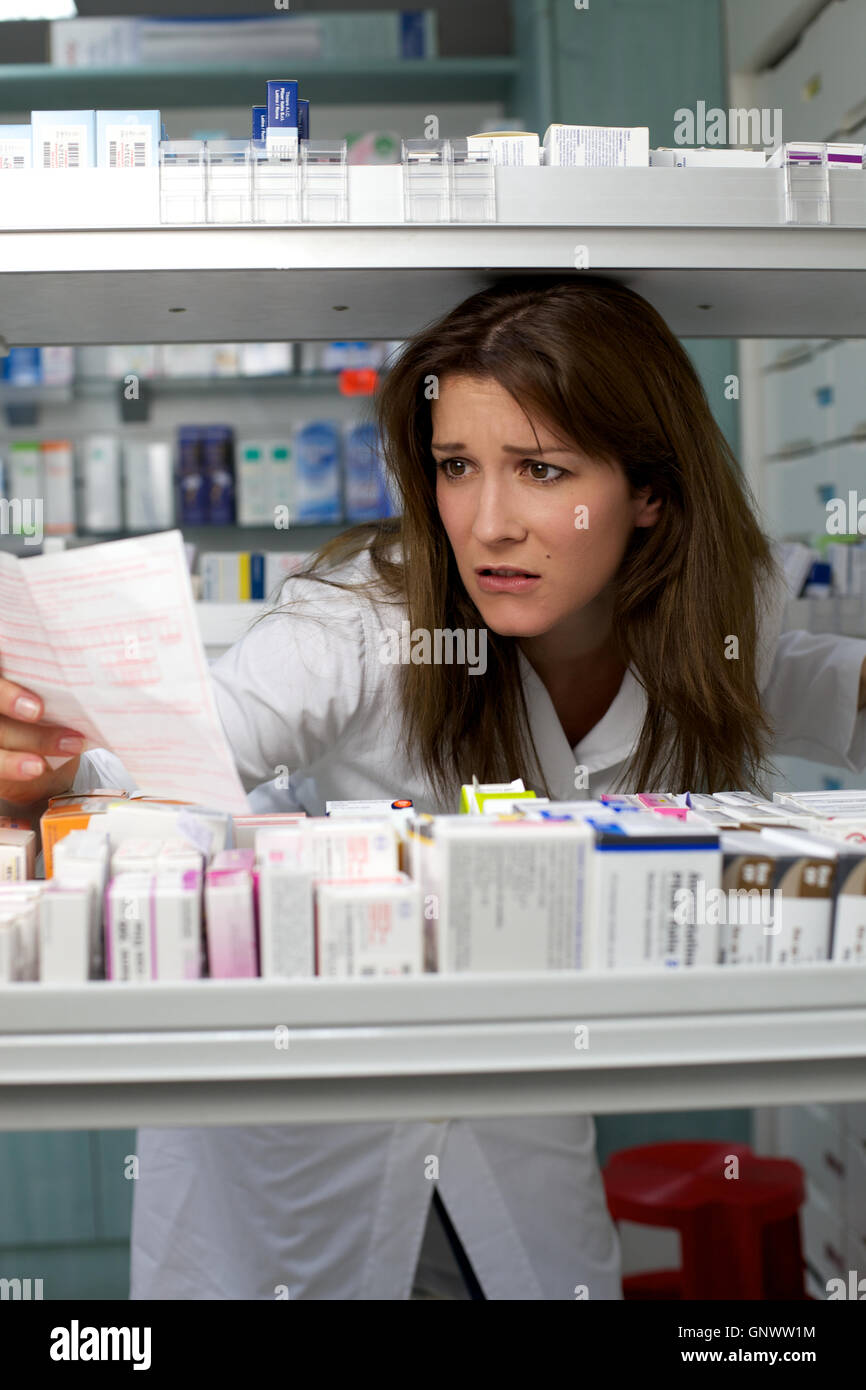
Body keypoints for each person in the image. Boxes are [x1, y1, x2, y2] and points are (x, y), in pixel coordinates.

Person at [2, 278, 866, 1300]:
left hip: (514, 1125)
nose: (488, 523)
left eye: (539, 469)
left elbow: (819, 684)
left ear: (649, 491)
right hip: (303, 1134)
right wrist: (45, 763)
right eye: (456, 466)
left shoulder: (718, 625)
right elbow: (177, 757)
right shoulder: (362, 626)